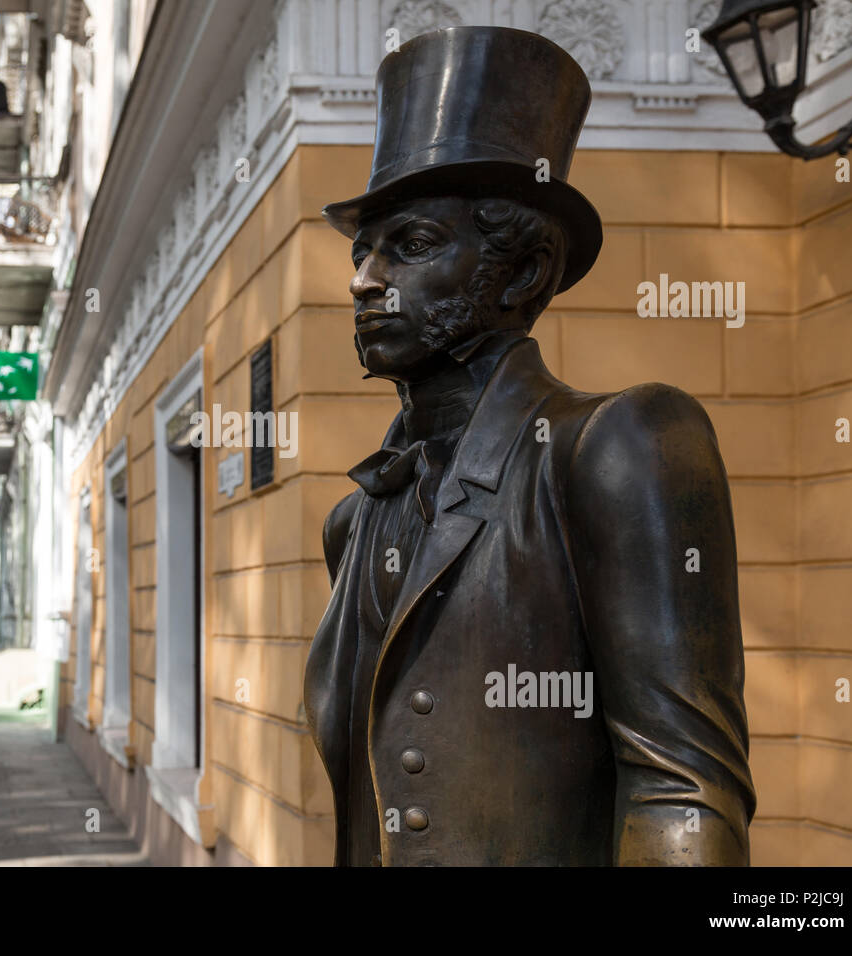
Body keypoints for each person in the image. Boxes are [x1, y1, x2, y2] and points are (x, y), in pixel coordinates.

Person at [305, 27, 754, 866]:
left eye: (412, 245)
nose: (362, 280)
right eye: (364, 250)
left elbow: (683, 793)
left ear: (523, 273)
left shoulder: (617, 447)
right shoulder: (354, 521)